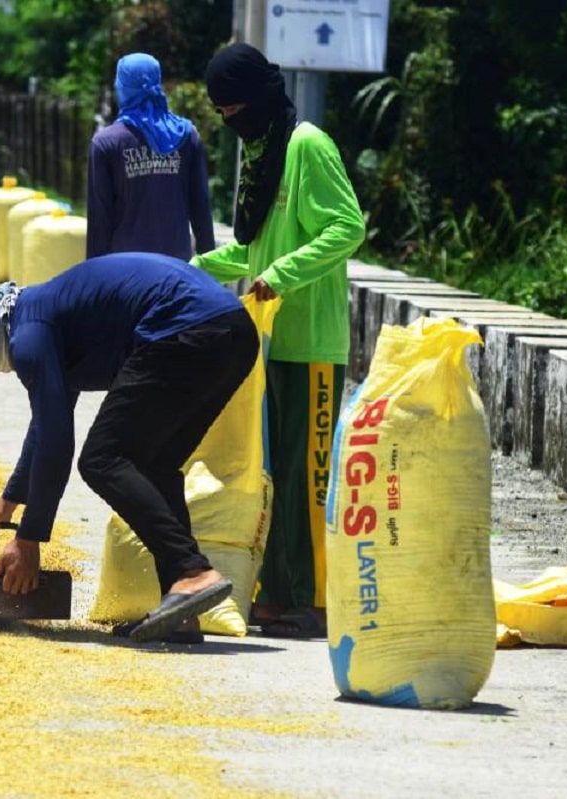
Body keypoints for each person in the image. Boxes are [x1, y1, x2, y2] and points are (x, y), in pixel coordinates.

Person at [0, 252, 259, 643]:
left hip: (182, 328)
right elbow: (46, 426)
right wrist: (8, 503)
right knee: (154, 466)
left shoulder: (27, 336)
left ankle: (193, 573)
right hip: (232, 332)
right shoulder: (47, 316)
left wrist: (29, 538)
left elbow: (58, 445)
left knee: (102, 460)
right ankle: (182, 611)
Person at [191, 43, 366, 639]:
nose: (230, 120)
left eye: (235, 106)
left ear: (260, 97)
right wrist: (196, 267)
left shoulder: (307, 145)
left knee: (309, 476)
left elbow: (347, 228)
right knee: (275, 474)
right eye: (220, 112)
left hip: (312, 342)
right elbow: (254, 249)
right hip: (270, 342)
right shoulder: (261, 152)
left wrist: (280, 277)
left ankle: (314, 600)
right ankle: (276, 591)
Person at [86, 53, 215, 261]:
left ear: (123, 87)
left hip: (125, 274)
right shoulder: (186, 135)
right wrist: (210, 271)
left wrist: (93, 283)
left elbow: (99, 222)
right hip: (176, 271)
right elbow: (201, 209)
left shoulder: (105, 143)